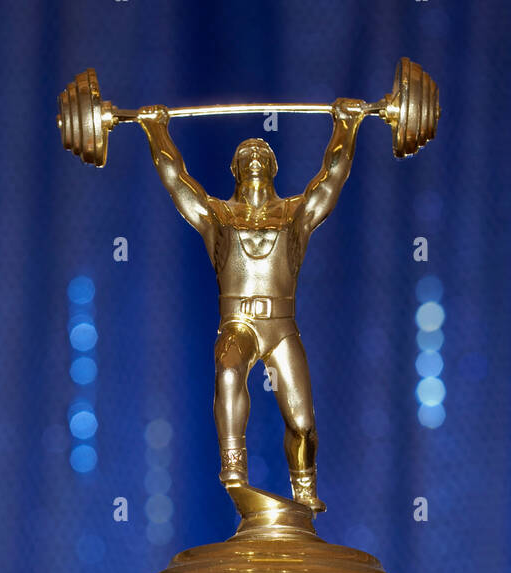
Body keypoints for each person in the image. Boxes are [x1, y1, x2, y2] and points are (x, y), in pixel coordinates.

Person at [138, 100, 367, 513]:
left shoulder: (295, 214)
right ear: (235, 169)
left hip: (281, 328)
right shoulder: (219, 216)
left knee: (303, 425)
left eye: (262, 153)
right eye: (246, 154)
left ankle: (304, 490)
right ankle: (234, 470)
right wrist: (156, 130)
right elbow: (177, 180)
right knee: (228, 369)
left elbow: (331, 178)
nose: (255, 156)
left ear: (274, 167)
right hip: (238, 323)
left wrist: (346, 126)